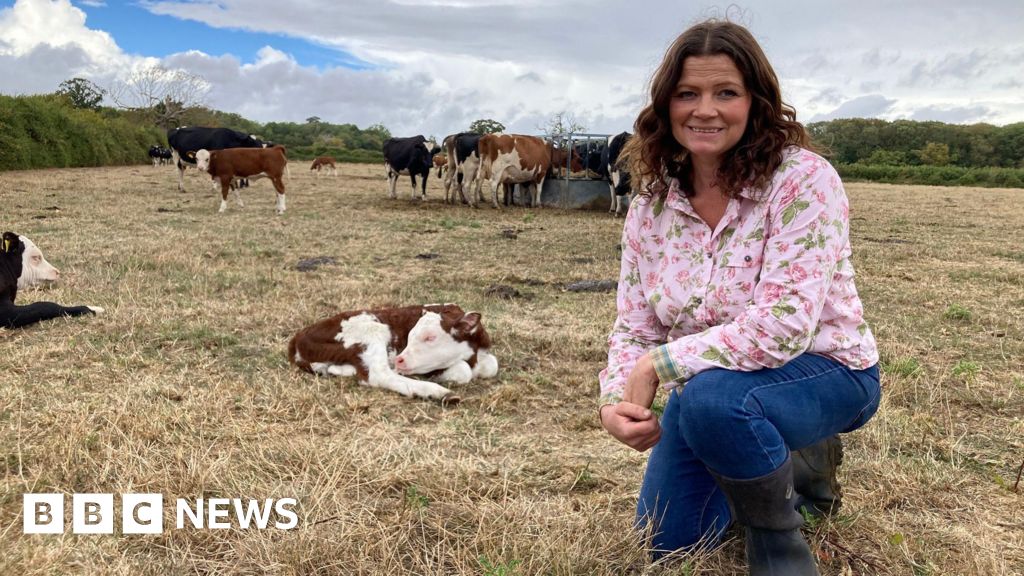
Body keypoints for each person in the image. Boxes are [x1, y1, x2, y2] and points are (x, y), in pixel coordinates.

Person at [598, 19, 881, 576]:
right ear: (665, 105)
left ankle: (779, 542)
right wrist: (614, 399)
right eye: (687, 93)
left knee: (711, 400)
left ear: (755, 101)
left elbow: (783, 325)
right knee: (669, 543)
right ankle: (780, 462)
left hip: (825, 371)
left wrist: (662, 365)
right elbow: (634, 324)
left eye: (725, 92)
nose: (705, 109)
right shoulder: (650, 207)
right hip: (712, 385)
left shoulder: (803, 181)